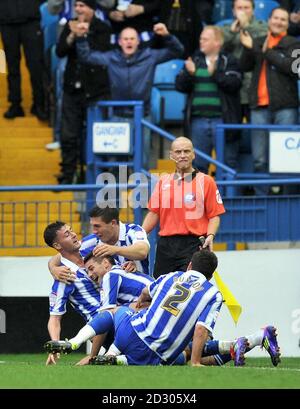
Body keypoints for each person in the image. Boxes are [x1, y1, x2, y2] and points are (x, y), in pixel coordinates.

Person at [45, 250, 224, 366]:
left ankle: (76, 343)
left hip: (135, 330)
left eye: (91, 268)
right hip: (162, 354)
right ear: (210, 276)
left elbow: (146, 292)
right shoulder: (213, 294)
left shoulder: (172, 276)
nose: (90, 275)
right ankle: (240, 345)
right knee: (183, 353)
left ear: (189, 266)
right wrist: (196, 362)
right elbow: (201, 329)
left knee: (115, 312)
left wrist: (92, 355)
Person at [75, 22, 184, 169]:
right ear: (119, 42)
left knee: (143, 158)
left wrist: (166, 35)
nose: (129, 41)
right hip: (118, 116)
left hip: (142, 116)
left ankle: (142, 191)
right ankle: (118, 190)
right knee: (117, 162)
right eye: (125, 39)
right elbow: (86, 56)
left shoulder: (149, 56)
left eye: (132, 38)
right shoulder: (111, 57)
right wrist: (81, 37)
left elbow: (178, 50)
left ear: (138, 41)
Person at [142, 137, 225, 278]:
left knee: (190, 288)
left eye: (186, 151)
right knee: (160, 288)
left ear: (193, 154)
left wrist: (210, 235)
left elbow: (214, 215)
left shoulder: (206, 181)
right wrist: (140, 234)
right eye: (178, 151)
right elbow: (154, 213)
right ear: (171, 156)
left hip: (193, 244)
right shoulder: (163, 181)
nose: (182, 155)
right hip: (165, 245)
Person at [240, 7, 300, 195]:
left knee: (286, 158)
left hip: (286, 107)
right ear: (269, 19)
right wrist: (249, 48)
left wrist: (263, 51)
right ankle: (261, 198)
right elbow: (244, 66)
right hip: (259, 106)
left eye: (283, 19)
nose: (279, 22)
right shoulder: (257, 42)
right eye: (276, 18)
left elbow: (294, 68)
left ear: (287, 24)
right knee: (259, 159)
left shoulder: (294, 44)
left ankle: (287, 200)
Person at [54, 0, 111, 185]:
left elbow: (101, 54)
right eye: (76, 5)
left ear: (92, 9)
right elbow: (60, 51)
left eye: (82, 6)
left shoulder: (103, 28)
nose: (78, 9)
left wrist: (84, 35)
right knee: (68, 134)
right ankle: (68, 174)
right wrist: (72, 34)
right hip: (72, 89)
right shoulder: (69, 25)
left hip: (95, 92)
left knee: (96, 135)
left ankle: (96, 175)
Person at [175, 25, 242, 173]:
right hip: (198, 121)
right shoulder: (194, 60)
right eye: (200, 38)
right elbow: (179, 85)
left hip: (223, 121)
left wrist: (215, 74)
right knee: (197, 166)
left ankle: (228, 197)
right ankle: (200, 197)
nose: (201, 42)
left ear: (217, 42)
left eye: (205, 39)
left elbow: (235, 84)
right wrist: (189, 74)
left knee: (227, 165)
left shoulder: (229, 60)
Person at [43, 221, 101, 365]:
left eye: (72, 231)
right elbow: (55, 318)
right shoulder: (65, 277)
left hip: (119, 314)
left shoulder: (90, 250)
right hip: (100, 329)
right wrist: (54, 345)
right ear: (57, 246)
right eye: (67, 235)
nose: (74, 235)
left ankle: (95, 357)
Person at [49, 205, 150, 282]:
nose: (94, 231)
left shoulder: (133, 231)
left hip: (142, 292)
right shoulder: (95, 239)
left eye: (97, 226)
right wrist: (54, 269)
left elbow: (142, 251)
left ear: (113, 223)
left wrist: (114, 249)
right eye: (93, 226)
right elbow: (59, 256)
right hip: (116, 296)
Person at [221, 0, 268, 121]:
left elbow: (264, 42)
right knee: (231, 132)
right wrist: (232, 33)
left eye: (246, 7)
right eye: (239, 8)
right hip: (230, 87)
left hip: (254, 85)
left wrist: (246, 26)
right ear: (233, 11)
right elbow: (216, 46)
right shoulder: (225, 28)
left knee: (256, 131)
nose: (242, 11)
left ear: (253, 10)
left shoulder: (263, 26)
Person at [0, 0, 47, 120]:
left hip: (31, 21)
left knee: (36, 65)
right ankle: (15, 105)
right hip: (7, 22)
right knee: (12, 67)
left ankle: (39, 104)